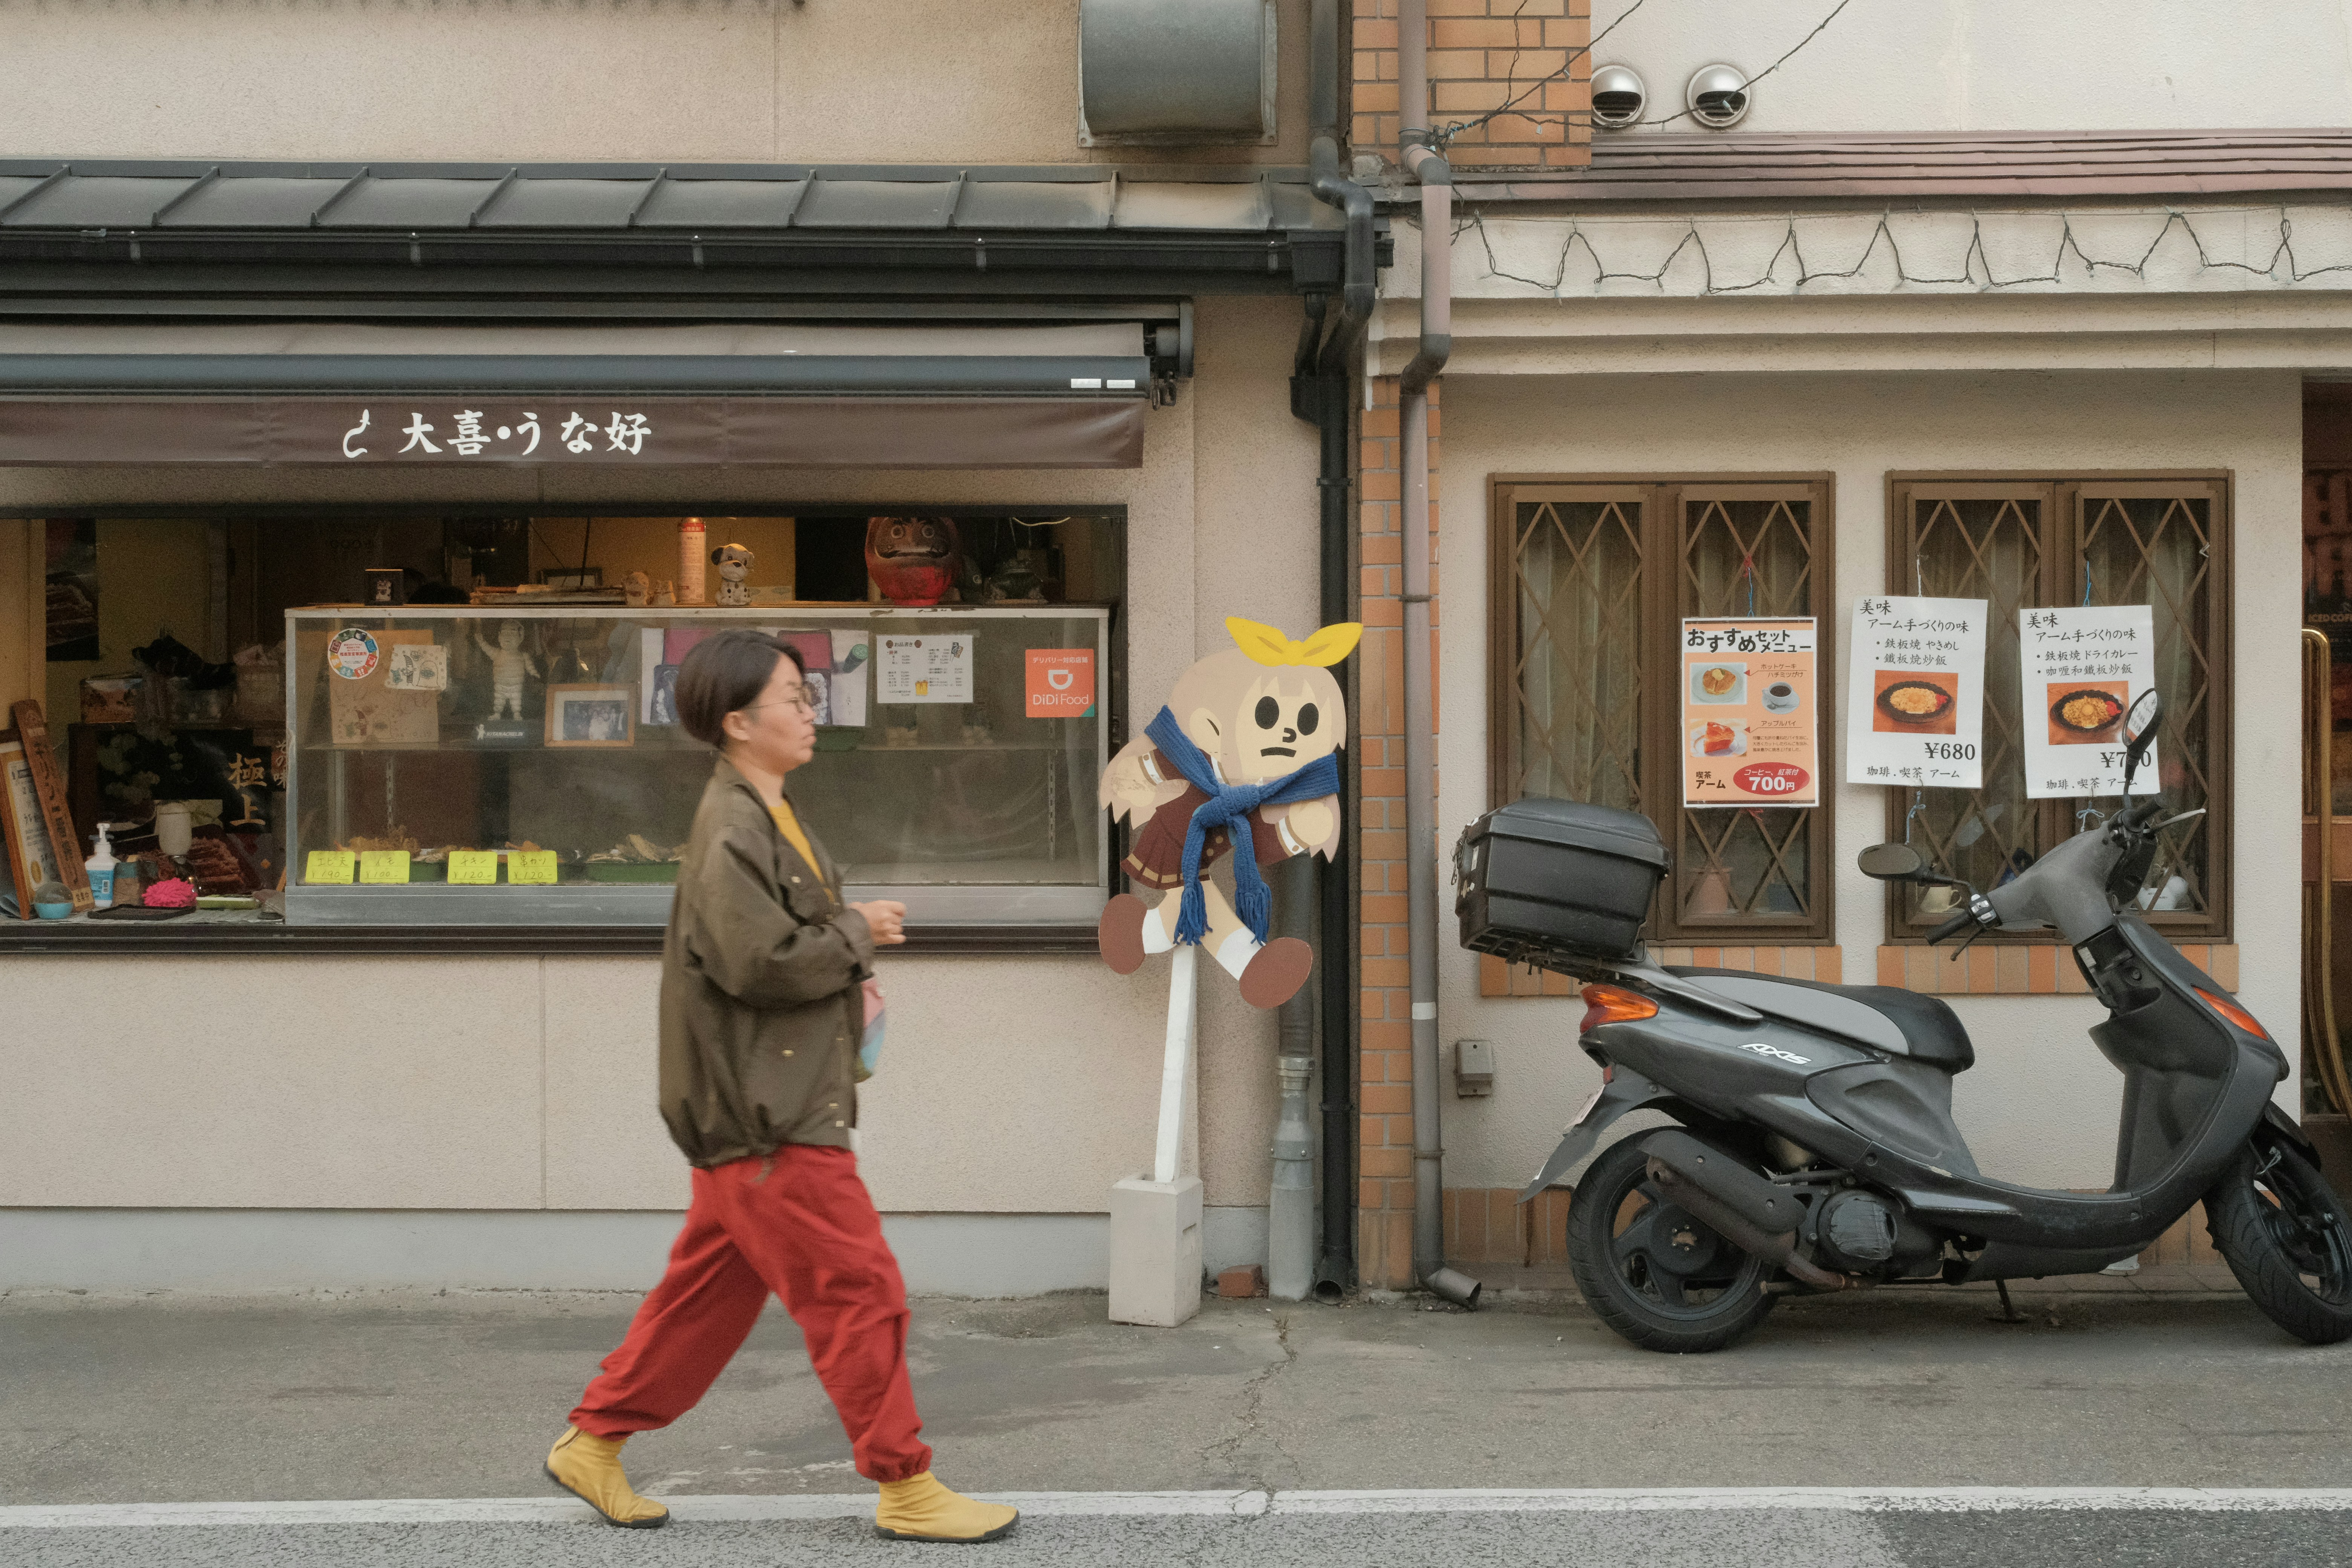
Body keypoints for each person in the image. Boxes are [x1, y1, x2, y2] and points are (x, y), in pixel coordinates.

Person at [544, 628, 1017, 1544]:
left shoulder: (761, 810)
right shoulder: (735, 827)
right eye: (794, 698)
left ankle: (594, 1440)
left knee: (705, 1299)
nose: (810, 711)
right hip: (771, 1113)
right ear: (737, 720)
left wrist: (849, 932)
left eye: (808, 695)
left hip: (758, 1103)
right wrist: (856, 931)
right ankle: (906, 1485)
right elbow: (759, 961)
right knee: (859, 1289)